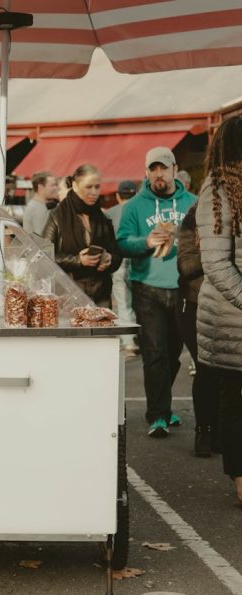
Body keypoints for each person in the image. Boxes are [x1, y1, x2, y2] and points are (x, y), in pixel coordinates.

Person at [117, 146, 196, 438]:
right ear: (147, 172)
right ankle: (158, 414)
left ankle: (163, 404)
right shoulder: (135, 206)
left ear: (175, 169)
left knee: (174, 355)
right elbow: (122, 243)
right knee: (154, 354)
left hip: (182, 288)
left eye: (163, 168)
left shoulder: (192, 202)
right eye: (153, 169)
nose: (158, 174)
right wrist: (145, 242)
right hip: (147, 289)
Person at [196, 116, 242, 505]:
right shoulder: (217, 191)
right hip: (231, 318)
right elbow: (216, 264)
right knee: (236, 400)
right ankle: (241, 478)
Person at [42, 164, 121, 307]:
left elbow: (117, 254)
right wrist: (78, 260)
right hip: (68, 295)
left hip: (101, 294)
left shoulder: (103, 217)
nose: (94, 192)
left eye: (97, 187)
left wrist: (109, 259)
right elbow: (43, 254)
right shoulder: (58, 215)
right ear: (75, 186)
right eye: (88, 187)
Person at [177, 203, 220, 457]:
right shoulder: (192, 217)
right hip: (192, 304)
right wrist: (216, 251)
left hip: (225, 305)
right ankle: (203, 431)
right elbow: (186, 267)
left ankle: (220, 433)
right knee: (205, 368)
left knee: (225, 372)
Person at [105, 180, 139, 354]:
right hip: (139, 260)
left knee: (123, 302)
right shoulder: (138, 209)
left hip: (118, 262)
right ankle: (142, 337)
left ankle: (129, 342)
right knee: (139, 302)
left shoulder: (109, 213)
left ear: (118, 196)